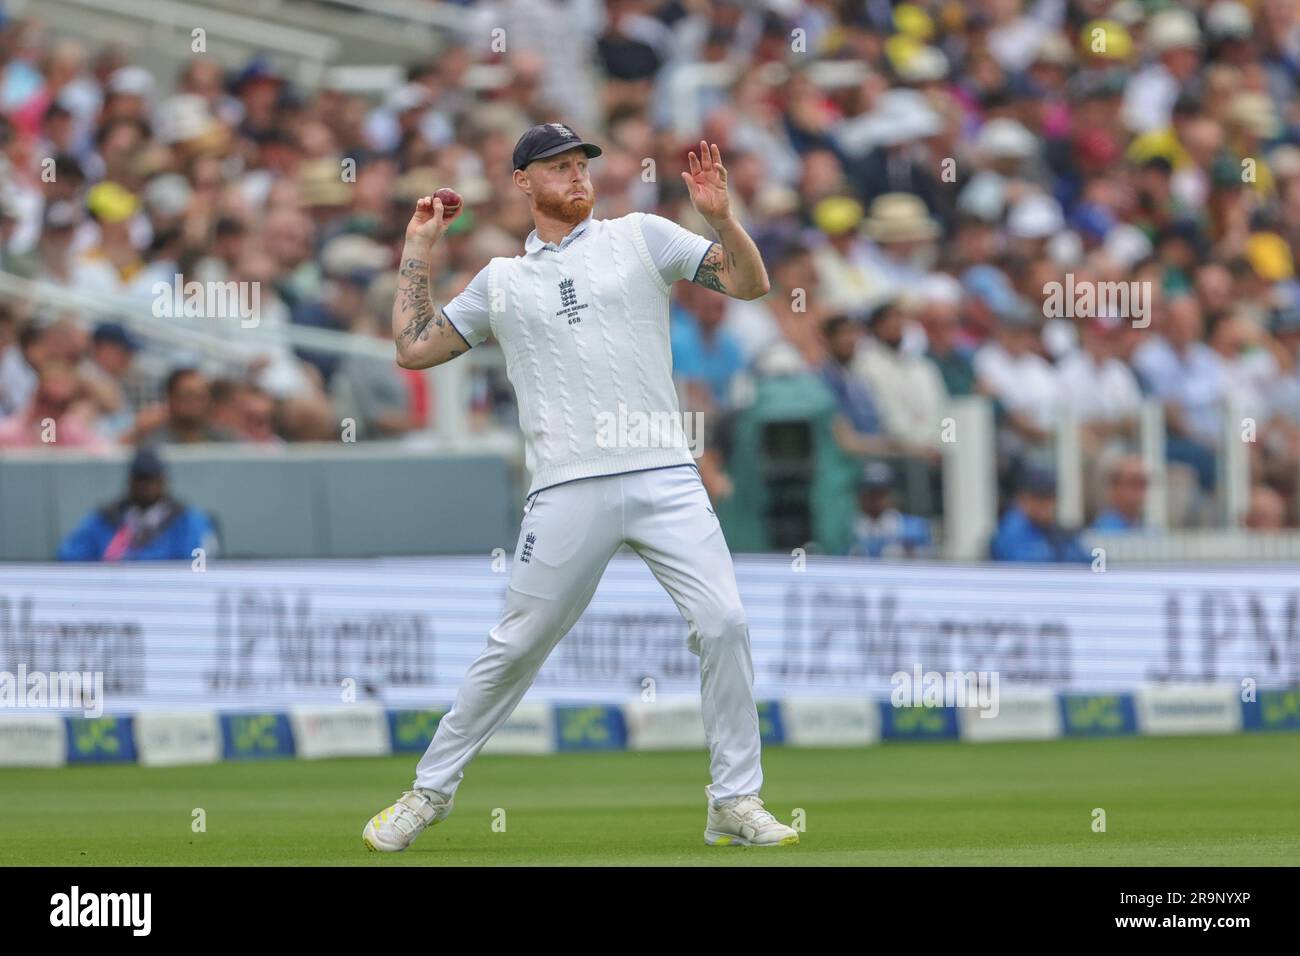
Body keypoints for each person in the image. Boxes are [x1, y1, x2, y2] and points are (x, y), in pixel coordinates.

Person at [364, 126, 797, 851]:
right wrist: (418, 249)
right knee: (517, 646)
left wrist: (721, 218)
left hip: (664, 470)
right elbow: (413, 349)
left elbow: (750, 284)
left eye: (580, 164)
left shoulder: (641, 236)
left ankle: (735, 800)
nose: (575, 176)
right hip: (566, 485)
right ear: (523, 183)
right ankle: (428, 793)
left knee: (725, 623)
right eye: (557, 167)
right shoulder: (502, 281)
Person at [57, 447, 217, 561]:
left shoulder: (187, 519)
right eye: (140, 480)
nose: (145, 486)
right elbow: (68, 555)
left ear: (163, 482)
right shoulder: (106, 518)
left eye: (151, 480)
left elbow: (200, 563)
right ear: (130, 483)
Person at [989, 467, 1091, 563]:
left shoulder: (1052, 529)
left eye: (1051, 498)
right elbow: (1031, 563)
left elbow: (1083, 558)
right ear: (1022, 499)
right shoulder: (1011, 529)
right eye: (1040, 499)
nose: (1047, 506)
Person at [848, 462, 933, 558]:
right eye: (870, 493)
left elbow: (927, 561)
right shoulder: (846, 529)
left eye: (881, 493)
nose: (875, 499)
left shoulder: (916, 527)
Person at [1091, 455, 1149, 532]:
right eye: (1133, 482)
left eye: (1142, 483)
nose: (1138, 490)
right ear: (1114, 487)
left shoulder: (1150, 532)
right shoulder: (1100, 533)